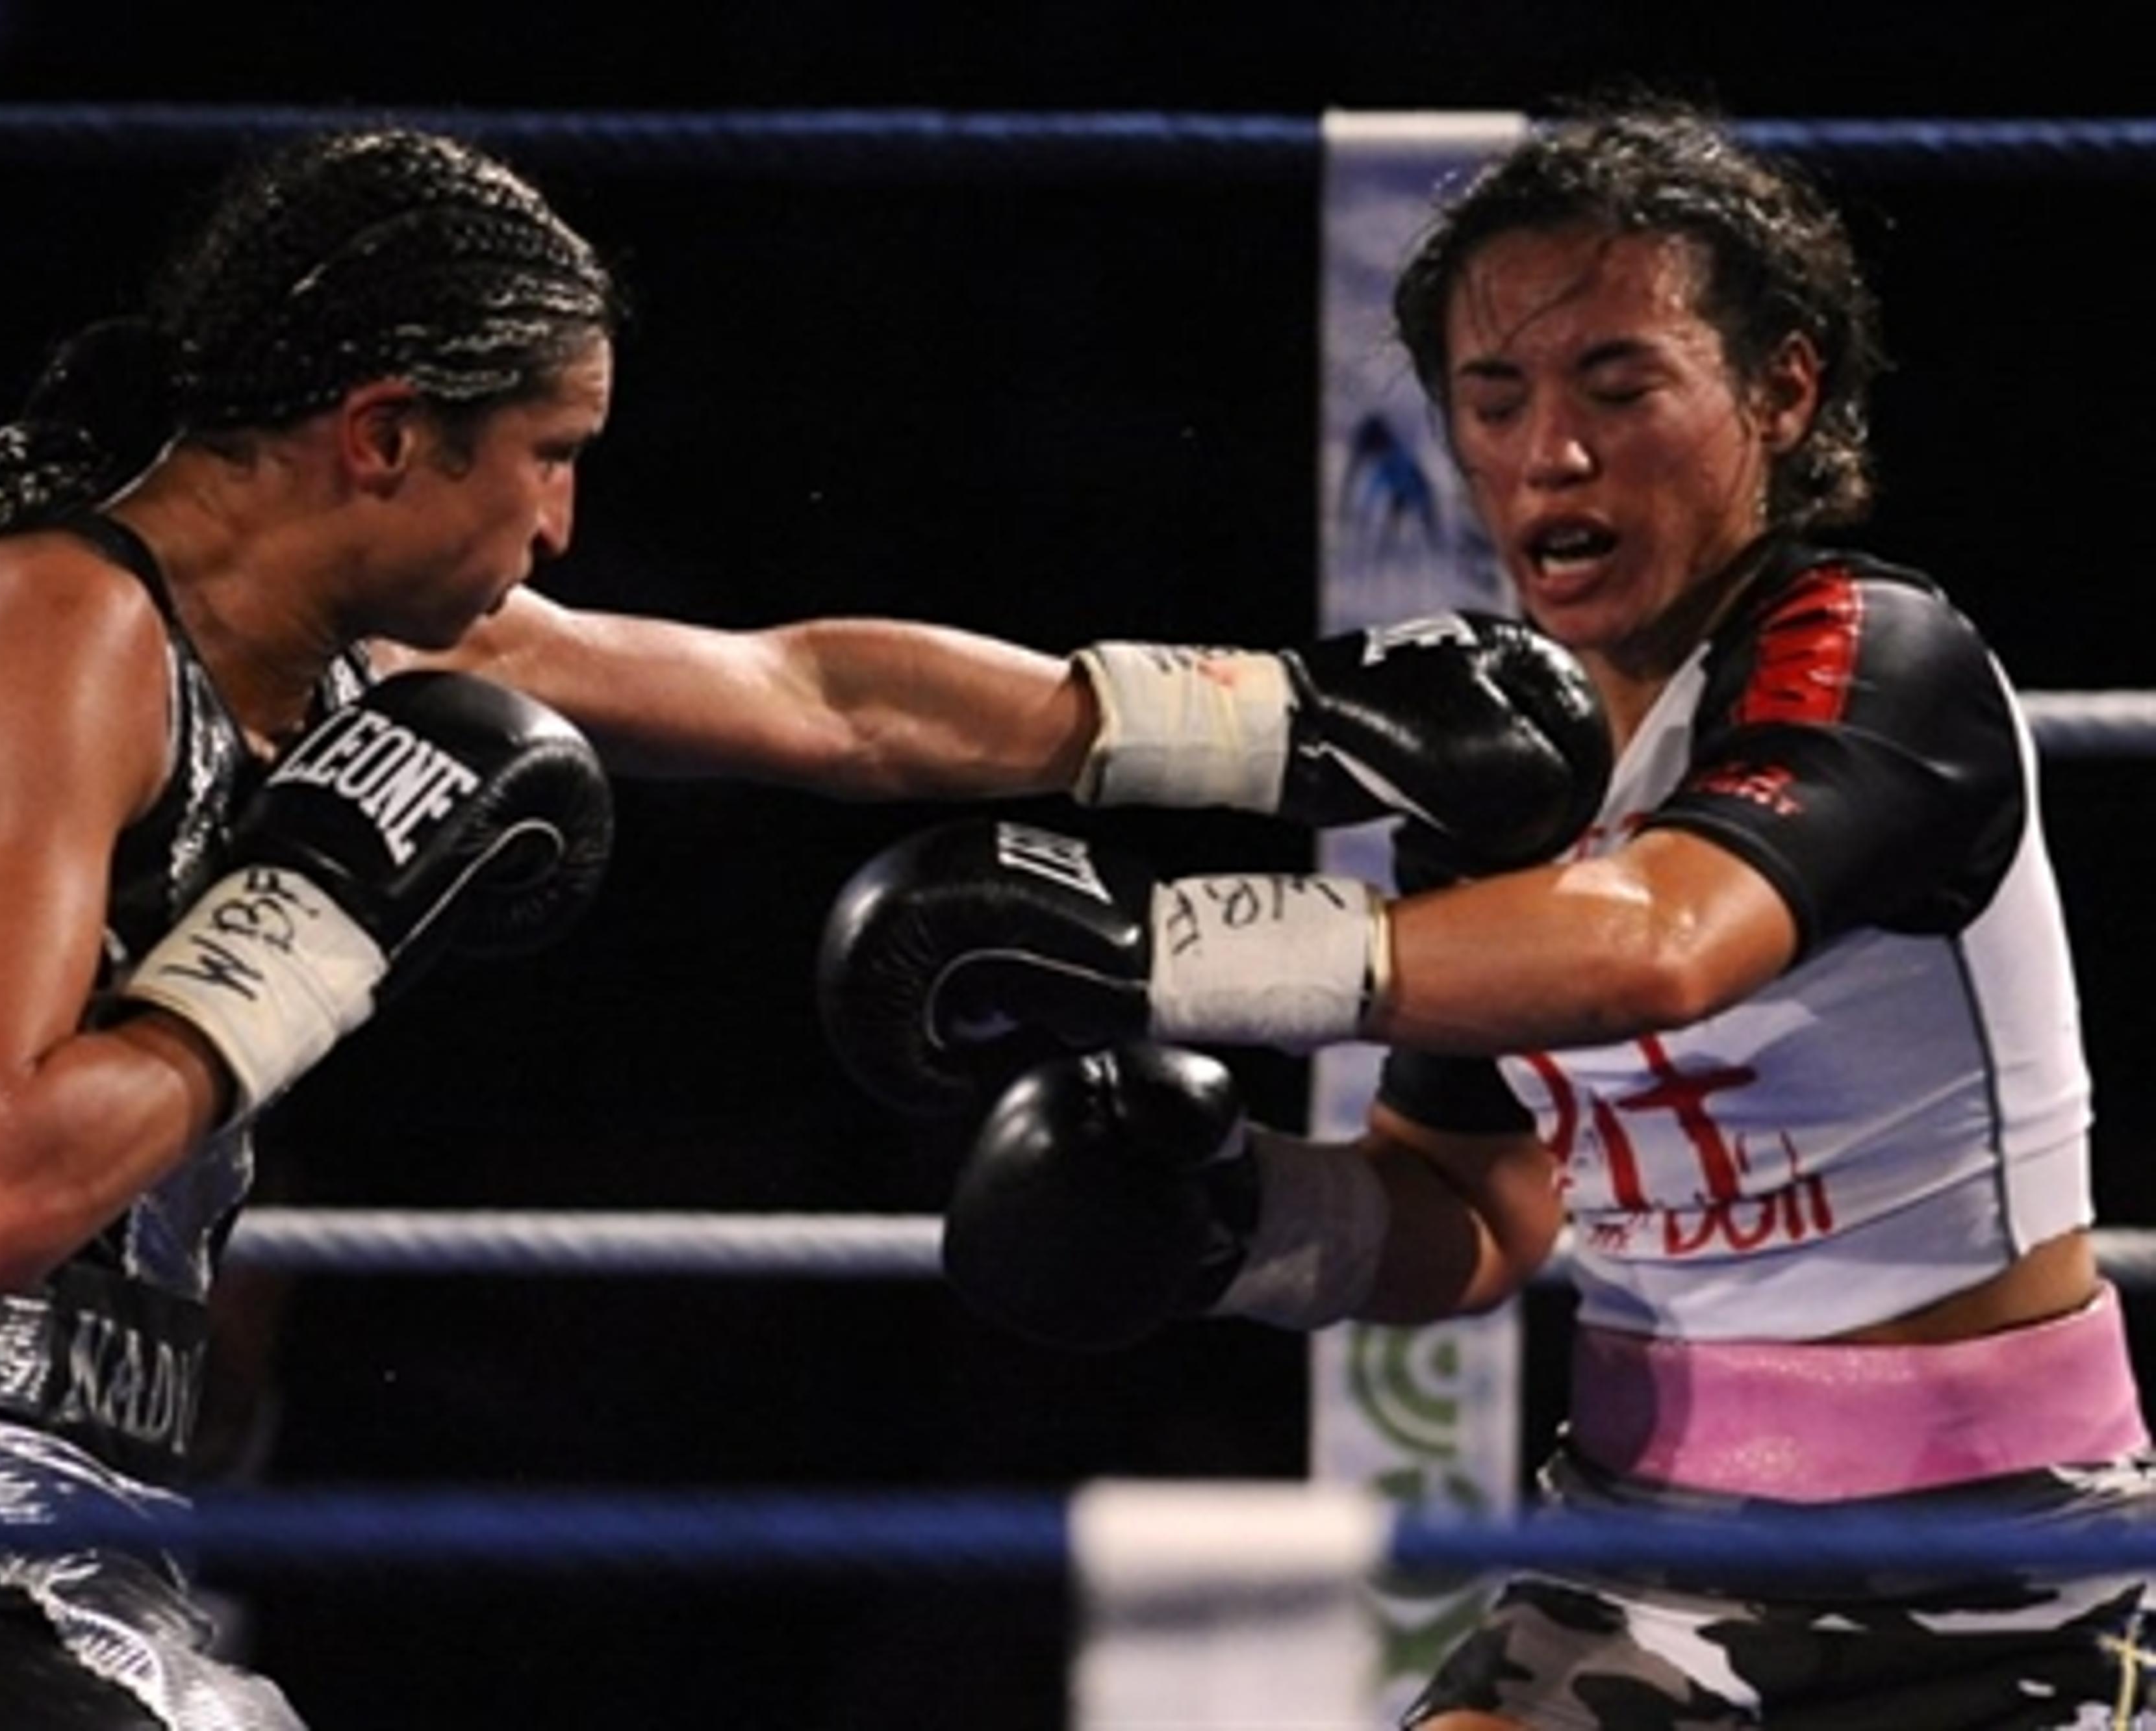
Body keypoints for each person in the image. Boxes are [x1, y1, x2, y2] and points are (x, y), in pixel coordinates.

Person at [0, 123, 1613, 1728]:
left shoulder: (337, 644)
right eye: (550, 456)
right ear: (383, 435)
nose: (566, 526)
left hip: (71, 1536)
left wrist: (1294, 719)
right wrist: (321, 903)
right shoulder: (45, 634)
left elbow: (821, 703)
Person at [816, 100, 2156, 1727]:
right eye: (1493, 396)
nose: (1550, 454)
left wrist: (1154, 949)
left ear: (1781, 391)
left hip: (1991, 1571)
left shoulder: (1877, 657)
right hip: (1639, 1549)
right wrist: (1236, 1228)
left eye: (1617, 384)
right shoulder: (1498, 759)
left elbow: (1654, 943)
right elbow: (1474, 1210)